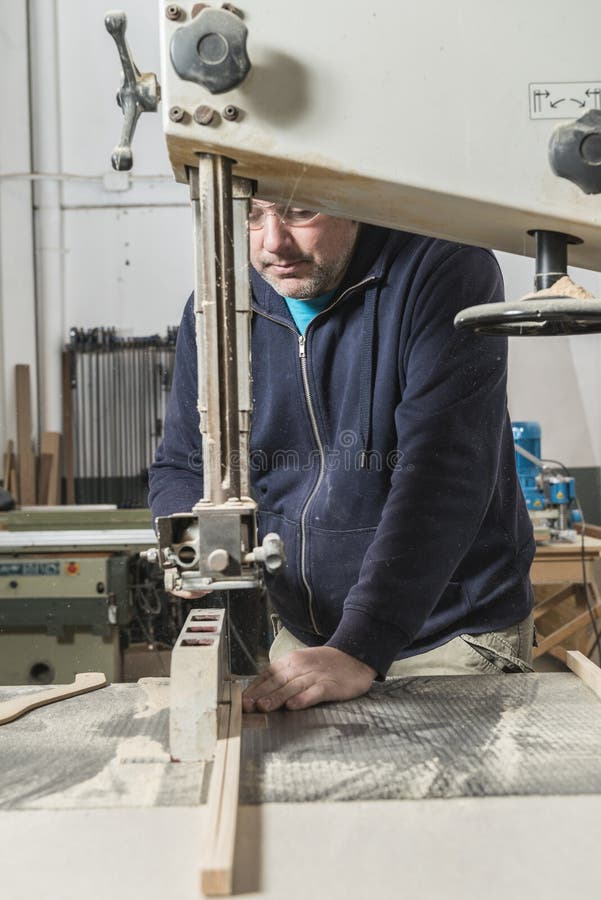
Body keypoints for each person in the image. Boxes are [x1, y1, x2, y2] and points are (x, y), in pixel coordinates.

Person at [149, 199, 536, 714]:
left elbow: (442, 476)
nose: (272, 242)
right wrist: (194, 553)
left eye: (299, 211)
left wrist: (361, 645)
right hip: (308, 643)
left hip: (446, 639)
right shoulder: (219, 306)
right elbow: (184, 462)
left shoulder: (445, 267)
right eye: (251, 215)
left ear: (351, 198)